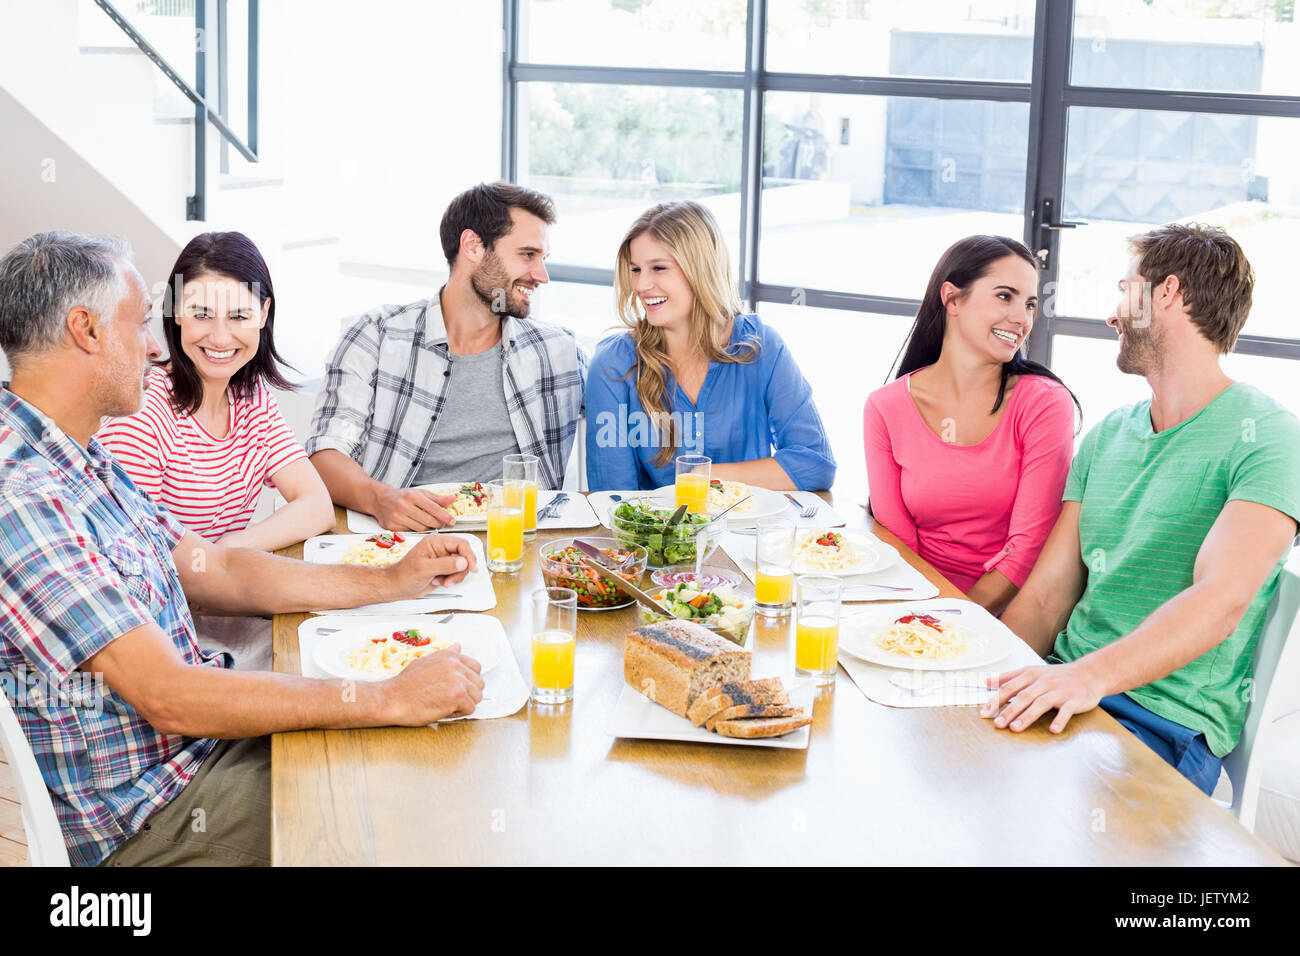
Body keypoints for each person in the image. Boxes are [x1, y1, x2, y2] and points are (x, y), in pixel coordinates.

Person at [0, 232, 485, 866]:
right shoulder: (24, 496)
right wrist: (386, 697)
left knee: (428, 755)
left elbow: (216, 567)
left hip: (202, 756)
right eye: (142, 322)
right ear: (86, 330)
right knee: (407, 807)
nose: (154, 345)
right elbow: (169, 694)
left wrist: (391, 580)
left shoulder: (80, 456)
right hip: (157, 818)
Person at [984, 223, 1300, 795]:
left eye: (1124, 290)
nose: (1112, 315)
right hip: (1064, 687)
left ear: (1168, 293)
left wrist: (1086, 679)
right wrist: (981, 677)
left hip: (1162, 724)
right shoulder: (1107, 437)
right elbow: (1048, 597)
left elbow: (1220, 601)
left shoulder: (1271, 437)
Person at [306, 182, 587, 532]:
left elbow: (639, 403)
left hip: (515, 547)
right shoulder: (377, 336)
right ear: (472, 246)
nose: (541, 275)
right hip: (399, 543)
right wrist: (379, 498)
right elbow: (327, 452)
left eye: (542, 259)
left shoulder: (558, 351)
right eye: (528, 255)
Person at [863, 236, 1077, 614]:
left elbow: (1027, 548)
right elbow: (896, 542)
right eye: (1004, 296)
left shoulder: (1042, 403)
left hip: (1001, 615)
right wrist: (917, 619)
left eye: (1029, 304)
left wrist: (954, 620)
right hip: (912, 601)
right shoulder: (885, 407)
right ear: (953, 299)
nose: (1022, 318)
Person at [97, 231, 335, 551]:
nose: (221, 339)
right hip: (165, 598)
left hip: (221, 590)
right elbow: (137, 552)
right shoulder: (142, 412)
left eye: (238, 316)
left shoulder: (252, 399)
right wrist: (216, 567)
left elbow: (318, 506)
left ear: (262, 314)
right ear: (176, 311)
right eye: (202, 314)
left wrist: (224, 553)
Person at [585, 200, 835, 492]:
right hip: (656, 536)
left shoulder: (761, 347)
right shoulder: (613, 364)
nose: (640, 285)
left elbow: (815, 464)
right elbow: (612, 499)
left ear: (701, 270)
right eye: (636, 269)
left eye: (659, 268)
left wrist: (698, 477)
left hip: (751, 534)